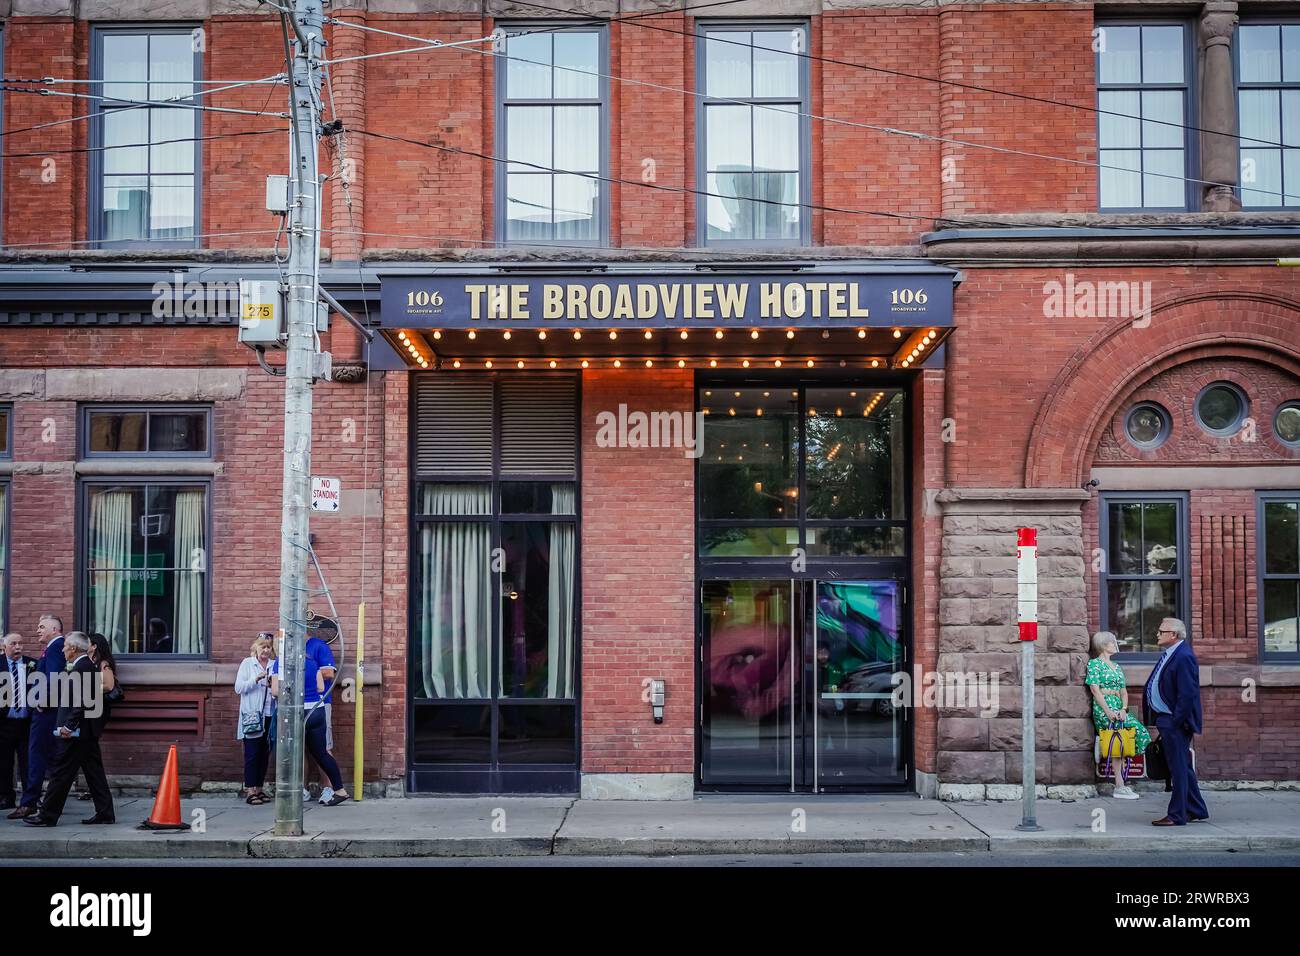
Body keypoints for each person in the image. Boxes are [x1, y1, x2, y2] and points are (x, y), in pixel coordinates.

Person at [23, 633, 115, 826]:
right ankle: (105, 813)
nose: (63, 649)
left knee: (60, 772)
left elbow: (81, 702)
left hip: (77, 732)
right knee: (94, 772)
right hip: (87, 731)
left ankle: (47, 815)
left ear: (73, 649)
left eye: (65, 646)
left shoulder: (81, 668)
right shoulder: (86, 666)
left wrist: (68, 726)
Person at [271, 626, 349, 806]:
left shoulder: (281, 663)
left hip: (297, 711)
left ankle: (291, 792)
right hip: (317, 710)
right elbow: (321, 688)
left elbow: (275, 691)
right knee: (321, 753)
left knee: (290, 752)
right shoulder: (313, 663)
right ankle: (340, 789)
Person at [1143, 618, 1208, 827]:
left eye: (1161, 631)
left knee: (1177, 769)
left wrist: (1176, 720)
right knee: (1183, 767)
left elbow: (1187, 694)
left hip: (1175, 722)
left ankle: (1177, 815)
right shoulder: (1172, 653)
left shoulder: (1184, 656)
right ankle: (1196, 808)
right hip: (1168, 719)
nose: (1157, 635)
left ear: (1173, 635)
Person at [10, 613, 65, 819]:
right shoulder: (53, 648)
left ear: (54, 630)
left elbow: (54, 677)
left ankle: (29, 802)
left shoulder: (55, 648)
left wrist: (43, 700)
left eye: (42, 627)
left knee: (37, 755)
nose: (37, 630)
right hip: (49, 712)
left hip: (46, 713)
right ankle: (46, 801)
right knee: (54, 759)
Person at [1085, 631, 1150, 800]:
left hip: (1118, 707)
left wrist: (1124, 709)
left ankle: (1120, 783)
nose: (1115, 645)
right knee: (1116, 742)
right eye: (1112, 643)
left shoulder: (1117, 666)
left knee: (1137, 734)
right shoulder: (1094, 664)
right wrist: (1107, 711)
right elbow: (1095, 690)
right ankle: (1120, 785)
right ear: (1103, 645)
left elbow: (1123, 692)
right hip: (1103, 707)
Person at [235, 634, 277, 805]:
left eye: (268, 647)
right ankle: (250, 790)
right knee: (252, 753)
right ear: (255, 649)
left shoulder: (275, 665)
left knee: (265, 754)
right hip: (252, 715)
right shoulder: (247, 663)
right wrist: (256, 679)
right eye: (262, 647)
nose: (266, 650)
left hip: (270, 714)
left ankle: (259, 788)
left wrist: (271, 684)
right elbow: (239, 688)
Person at [0, 634, 37, 810]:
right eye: (13, 644)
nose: (17, 647)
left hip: (26, 723)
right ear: (4, 647)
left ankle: (30, 799)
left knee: (28, 762)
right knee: (3, 762)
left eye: (20, 643)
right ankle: (6, 797)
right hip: (4, 723)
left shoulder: (32, 664)